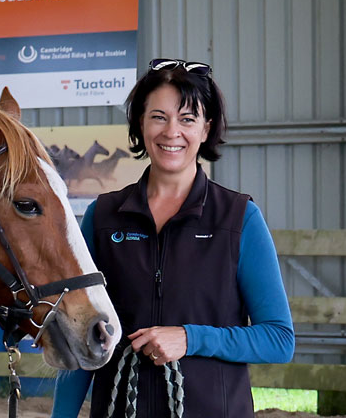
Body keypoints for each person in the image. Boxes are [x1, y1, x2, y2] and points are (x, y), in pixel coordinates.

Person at [51, 58, 294, 418]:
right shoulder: (102, 219)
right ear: (140, 123)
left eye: (187, 118)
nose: (171, 132)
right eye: (159, 117)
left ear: (206, 129)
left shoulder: (240, 219)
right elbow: (78, 336)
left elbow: (278, 340)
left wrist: (190, 338)